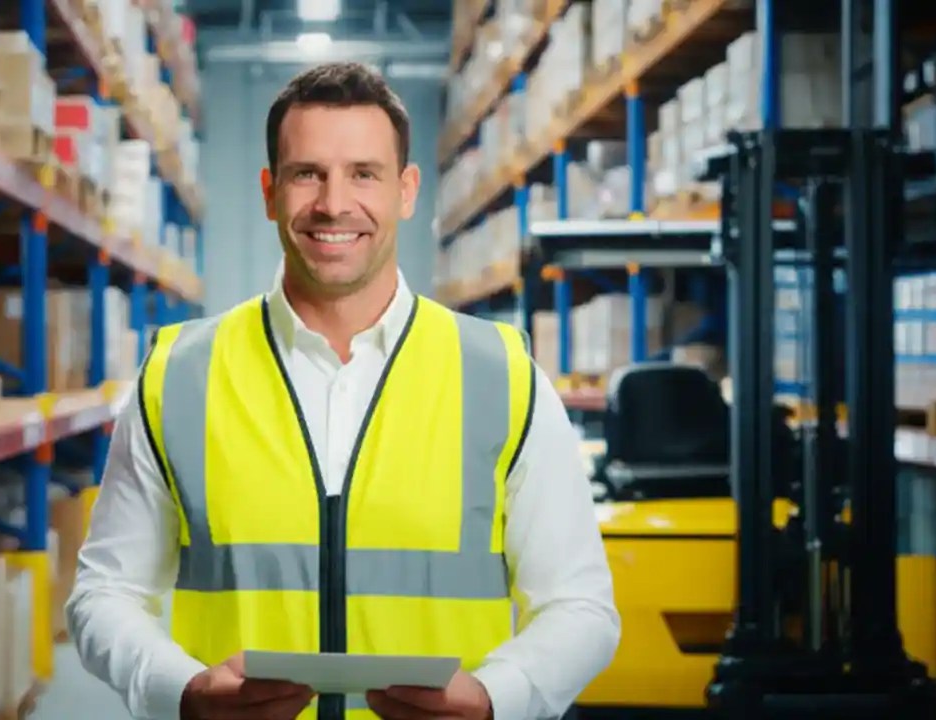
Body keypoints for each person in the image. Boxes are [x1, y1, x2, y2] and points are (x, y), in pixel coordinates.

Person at [67, 61, 620, 720]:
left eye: (364, 173)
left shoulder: (503, 377)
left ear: (406, 191)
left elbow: (580, 604)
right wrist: (182, 692)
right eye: (308, 174)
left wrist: (496, 698)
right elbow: (103, 594)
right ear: (270, 192)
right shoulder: (179, 374)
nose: (334, 204)